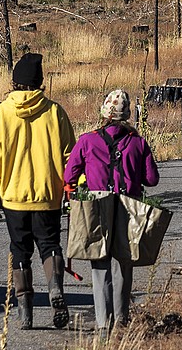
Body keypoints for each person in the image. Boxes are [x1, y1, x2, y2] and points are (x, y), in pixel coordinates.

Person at [0, 53, 76, 331]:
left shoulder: (1, 113)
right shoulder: (55, 112)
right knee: (49, 245)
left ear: (14, 82)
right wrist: (69, 189)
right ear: (40, 82)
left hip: (14, 196)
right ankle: (56, 287)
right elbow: (70, 155)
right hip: (48, 196)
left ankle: (25, 309)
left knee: (20, 250)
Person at [64, 90, 159, 335]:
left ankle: (102, 322)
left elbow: (69, 176)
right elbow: (152, 179)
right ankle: (121, 319)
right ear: (126, 115)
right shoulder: (138, 142)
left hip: (97, 205)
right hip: (129, 207)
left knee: (99, 264)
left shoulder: (87, 140)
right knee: (123, 264)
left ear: (104, 113)